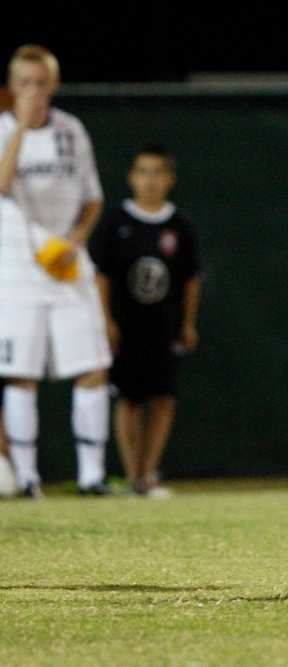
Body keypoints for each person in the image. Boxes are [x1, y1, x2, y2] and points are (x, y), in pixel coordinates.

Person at [0, 44, 111, 497]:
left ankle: (92, 476)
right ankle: (28, 478)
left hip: (66, 262)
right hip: (17, 268)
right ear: (11, 87)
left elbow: (92, 198)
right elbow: (1, 185)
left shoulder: (71, 130)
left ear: (54, 85)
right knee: (21, 373)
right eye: (25, 83)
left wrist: (77, 240)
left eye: (41, 83)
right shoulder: (3, 129)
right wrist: (21, 126)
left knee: (93, 367)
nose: (34, 91)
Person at [90, 144, 201, 498]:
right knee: (129, 399)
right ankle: (131, 475)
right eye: (143, 172)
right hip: (125, 326)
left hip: (165, 326)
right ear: (131, 177)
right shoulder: (116, 222)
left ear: (170, 179)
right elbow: (101, 275)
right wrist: (106, 320)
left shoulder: (179, 225)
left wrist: (188, 323)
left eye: (157, 172)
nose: (150, 180)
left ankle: (147, 475)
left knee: (163, 398)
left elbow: (190, 279)